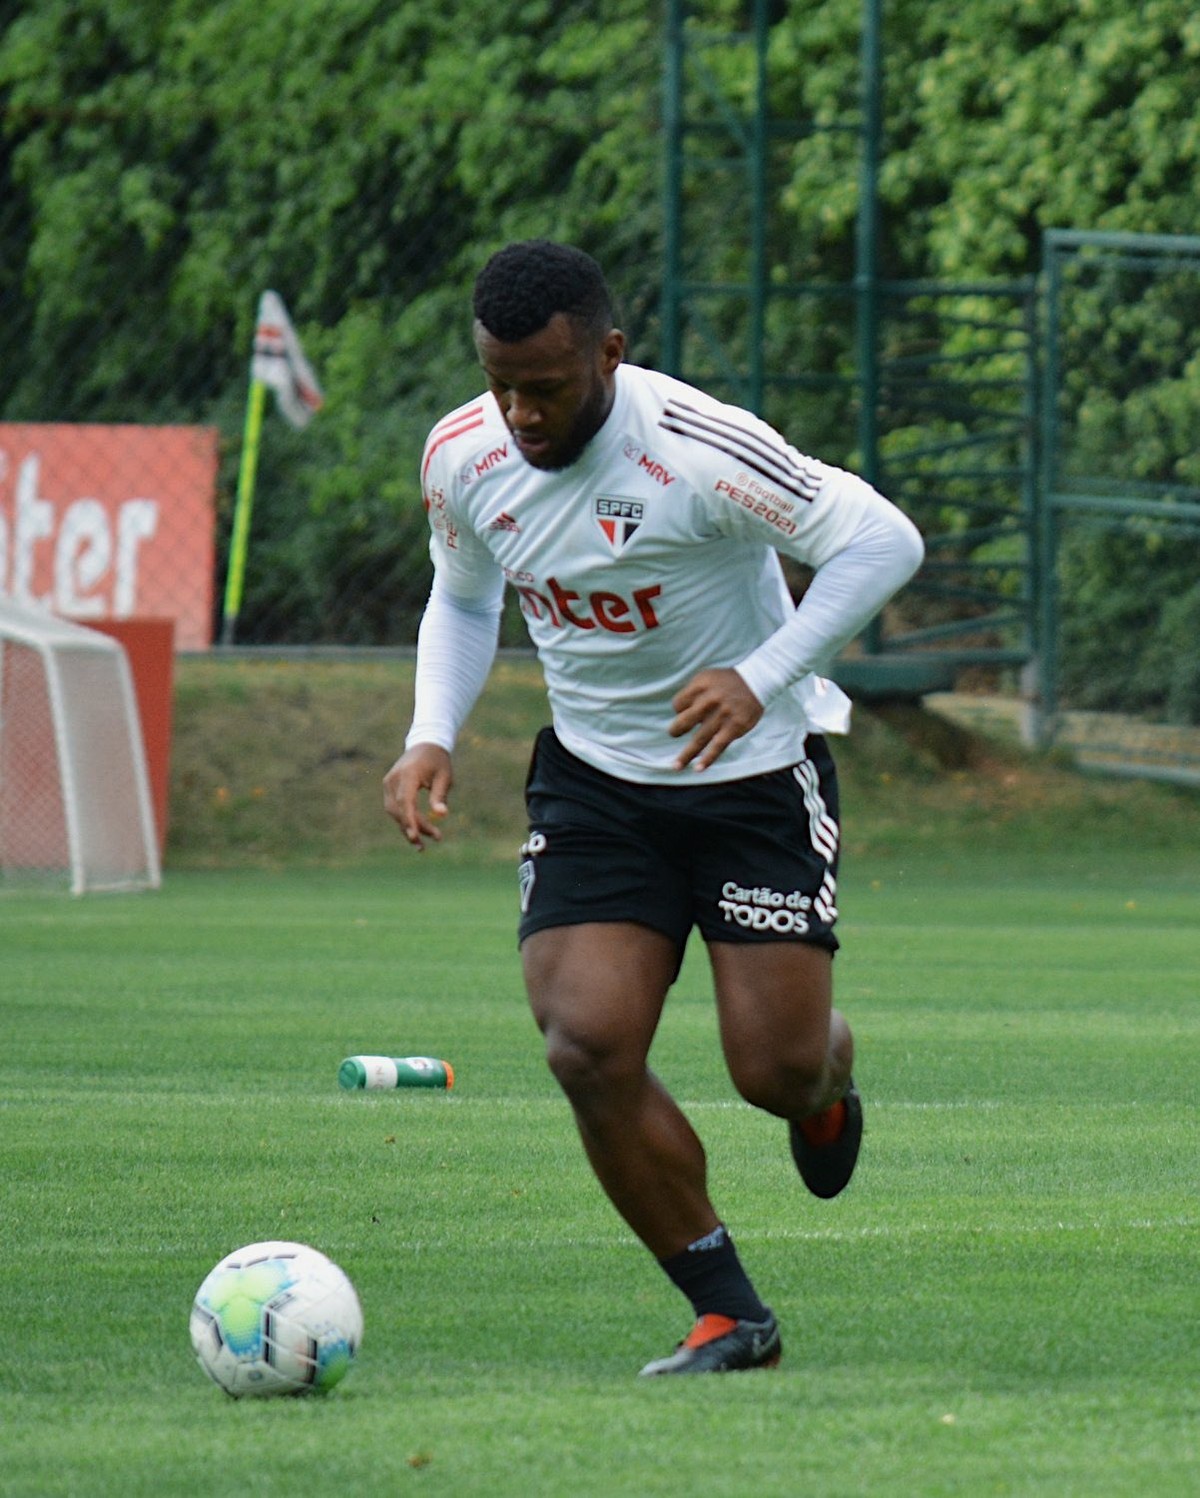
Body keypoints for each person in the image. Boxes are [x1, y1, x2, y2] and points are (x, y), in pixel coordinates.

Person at [384, 239, 923, 1377]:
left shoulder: (695, 447)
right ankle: (729, 1311)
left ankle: (824, 1079)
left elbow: (883, 540)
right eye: (501, 385)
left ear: (609, 355)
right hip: (595, 787)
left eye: (546, 386)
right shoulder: (463, 455)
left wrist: (761, 676)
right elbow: (465, 598)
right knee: (585, 1044)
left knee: (772, 1072)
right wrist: (431, 730)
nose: (522, 414)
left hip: (753, 781)